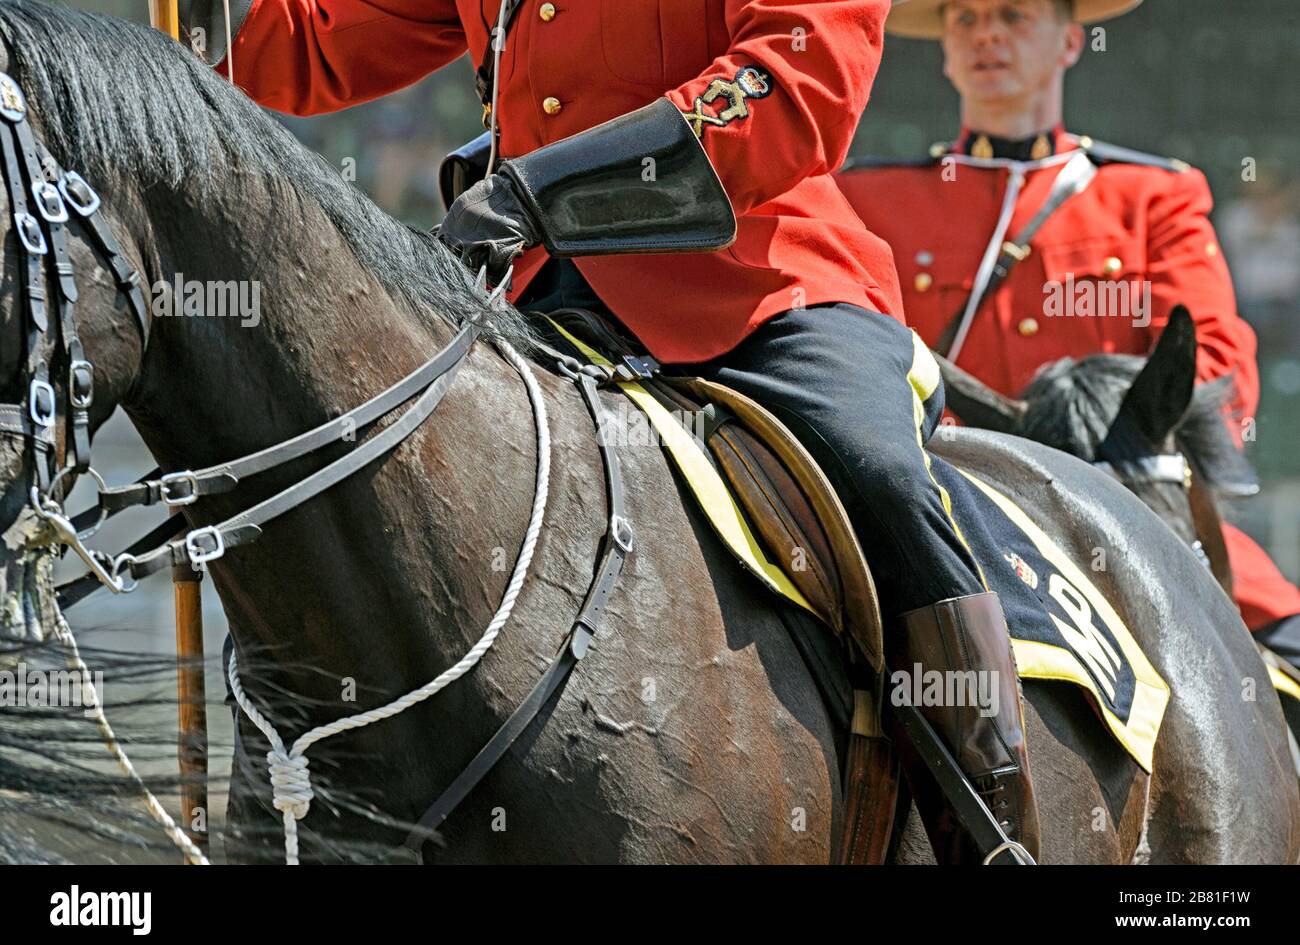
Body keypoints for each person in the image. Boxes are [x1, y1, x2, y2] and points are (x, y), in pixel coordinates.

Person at [180, 0, 1040, 861]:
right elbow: (306, 41)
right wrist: (198, 20)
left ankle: (994, 833)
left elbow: (799, 78)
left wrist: (545, 191)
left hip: (752, 285)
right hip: (528, 296)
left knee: (879, 476)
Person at [836, 0, 1300, 669]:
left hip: (1124, 515)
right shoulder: (872, 196)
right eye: (963, 20)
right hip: (944, 516)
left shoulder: (1150, 195)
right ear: (944, 51)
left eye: (1013, 15)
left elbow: (1215, 375)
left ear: (1072, 42)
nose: (986, 34)